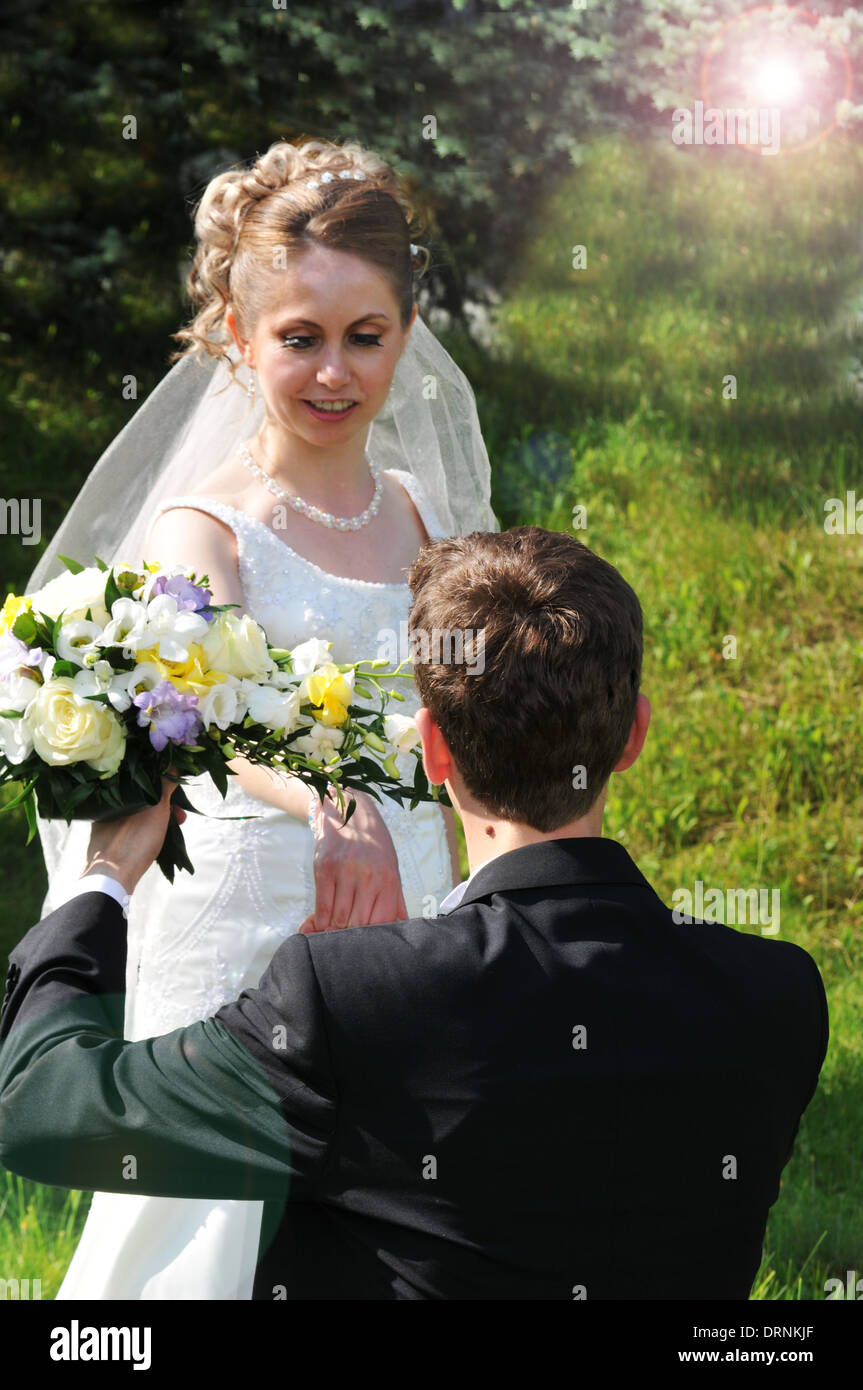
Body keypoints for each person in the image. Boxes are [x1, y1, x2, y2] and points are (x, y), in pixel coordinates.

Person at [0, 528, 828, 1300]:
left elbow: (45, 1106)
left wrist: (101, 876)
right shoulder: (778, 994)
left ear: (431, 749)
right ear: (633, 737)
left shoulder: (344, 997)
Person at [25, 137, 497, 1298]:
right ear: (237, 338)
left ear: (405, 332)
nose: (333, 372)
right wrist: (331, 805)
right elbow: (209, 720)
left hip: (406, 887)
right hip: (248, 894)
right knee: (212, 1210)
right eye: (299, 339)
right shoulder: (209, 525)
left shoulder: (420, 509)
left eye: (363, 337)